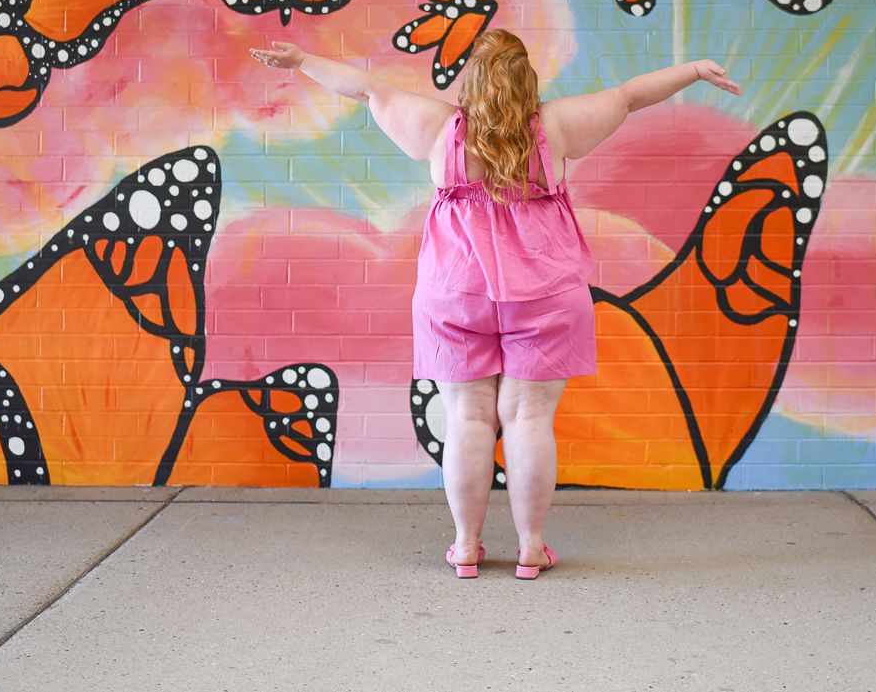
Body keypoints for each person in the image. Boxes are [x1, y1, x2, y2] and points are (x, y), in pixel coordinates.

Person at [251, 30, 740, 578]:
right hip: (548, 296)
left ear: (473, 80)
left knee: (467, 418)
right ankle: (531, 547)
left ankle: (465, 546)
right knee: (530, 418)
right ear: (526, 78)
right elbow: (629, 95)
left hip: (454, 294)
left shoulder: (438, 127)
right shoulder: (555, 127)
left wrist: (301, 60)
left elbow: (365, 90)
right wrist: (694, 68)